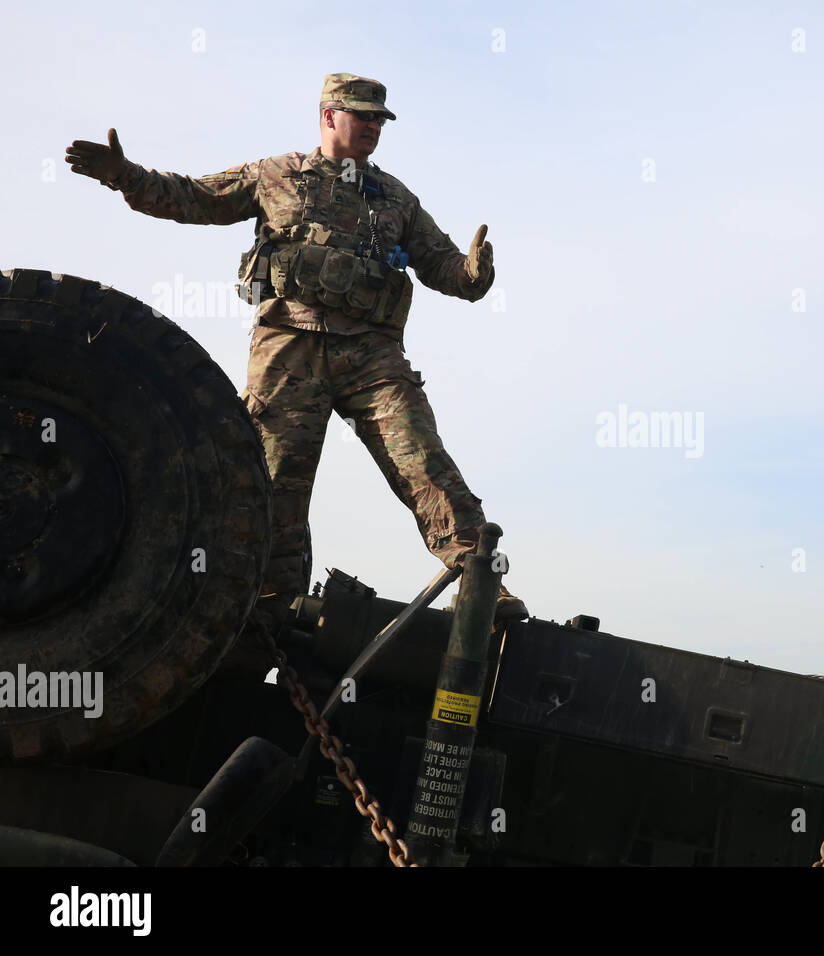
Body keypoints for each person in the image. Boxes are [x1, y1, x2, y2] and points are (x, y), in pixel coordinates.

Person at [65, 72, 527, 640]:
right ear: (329, 116)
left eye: (381, 120)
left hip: (372, 358)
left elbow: (443, 267)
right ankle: (267, 613)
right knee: (273, 484)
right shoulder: (275, 175)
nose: (374, 128)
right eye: (363, 116)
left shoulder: (397, 199)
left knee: (425, 465)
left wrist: (475, 273)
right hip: (290, 350)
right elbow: (194, 197)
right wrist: (125, 176)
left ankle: (484, 583)